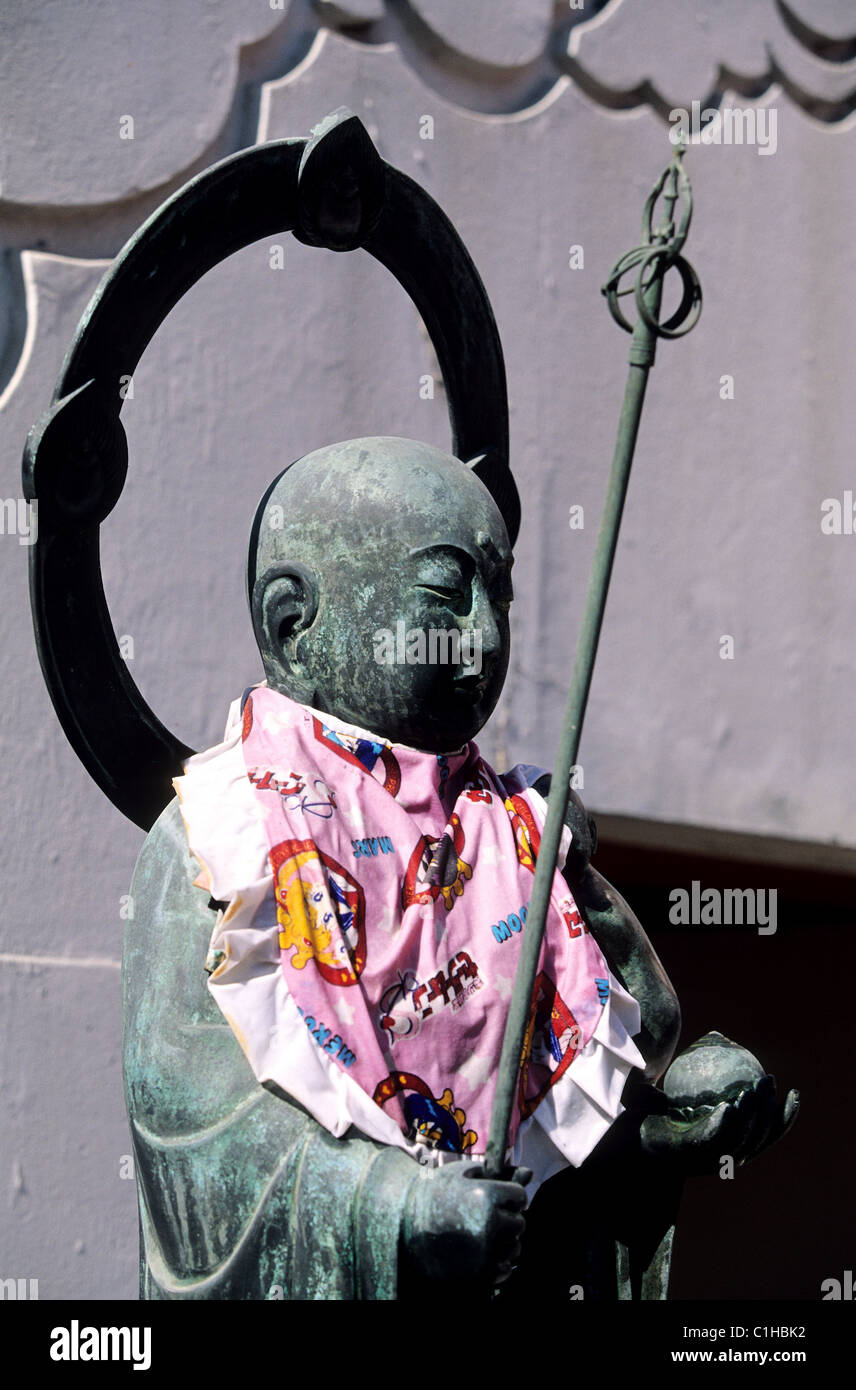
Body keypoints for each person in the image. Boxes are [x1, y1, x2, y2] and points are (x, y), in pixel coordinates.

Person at [123, 436, 680, 1300]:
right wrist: (396, 1210)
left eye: (498, 597)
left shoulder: (517, 831)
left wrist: (669, 1115)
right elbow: (202, 1141)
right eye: (444, 596)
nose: (486, 637)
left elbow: (598, 1083)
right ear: (294, 625)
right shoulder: (221, 847)